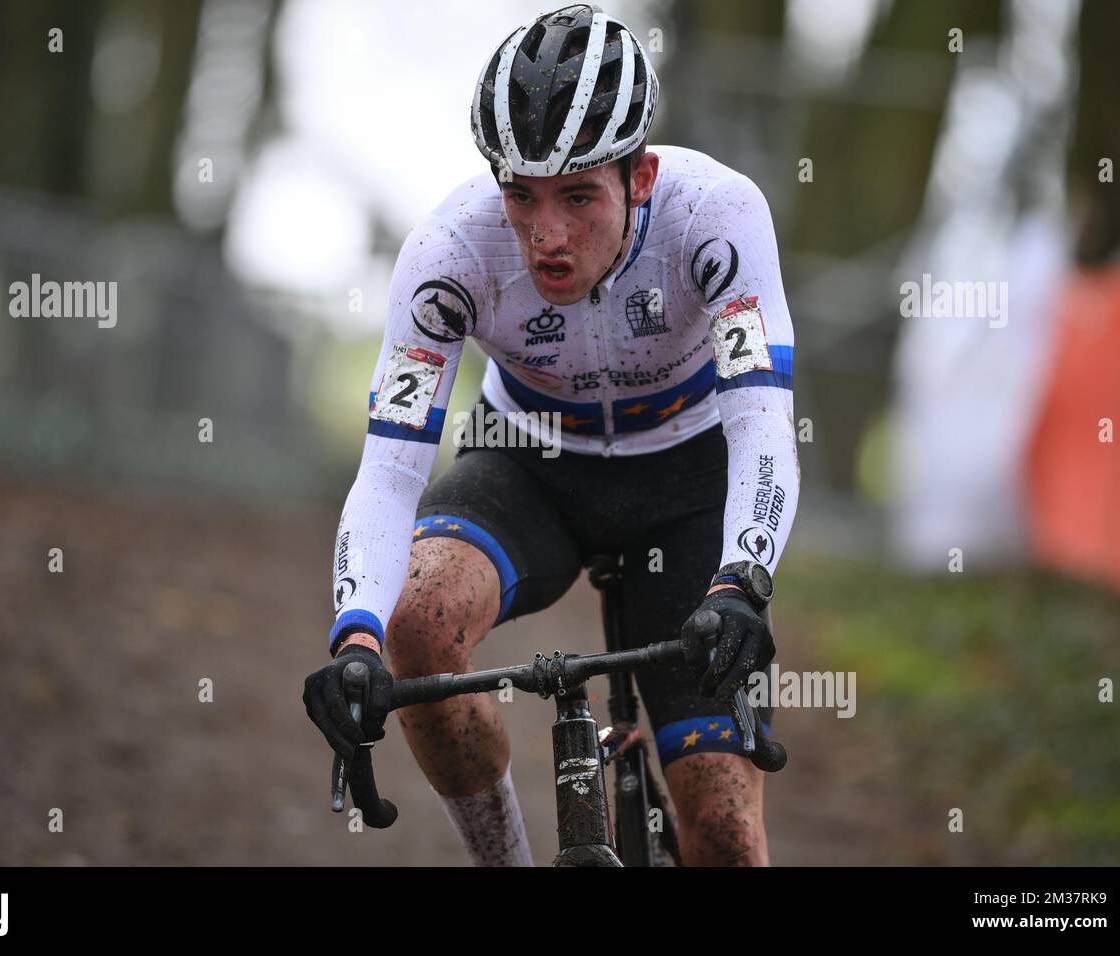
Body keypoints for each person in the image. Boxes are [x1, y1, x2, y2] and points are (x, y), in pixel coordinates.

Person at [304, 3, 798, 866]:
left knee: (722, 833)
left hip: (690, 482)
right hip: (527, 462)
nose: (548, 235)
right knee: (417, 622)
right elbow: (387, 473)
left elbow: (760, 418)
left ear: (640, 178)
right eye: (521, 197)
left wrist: (743, 580)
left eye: (578, 196)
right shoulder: (449, 253)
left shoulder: (716, 215)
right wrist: (355, 638)